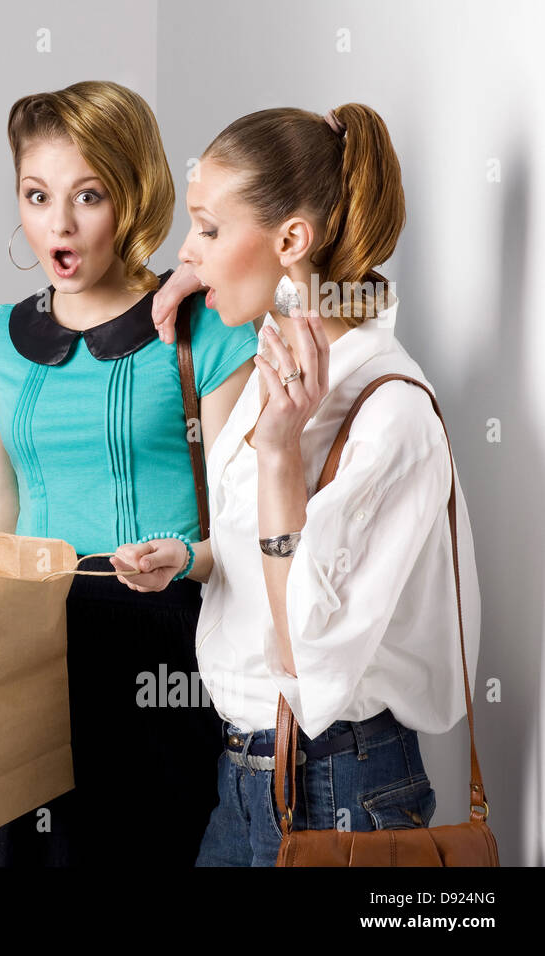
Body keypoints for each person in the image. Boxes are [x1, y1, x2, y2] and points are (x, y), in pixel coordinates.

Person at [124, 104, 481, 866]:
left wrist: (283, 458)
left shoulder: (389, 417)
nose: (184, 250)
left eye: (207, 228)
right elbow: (266, 553)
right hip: (247, 775)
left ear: (291, 240)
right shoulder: (284, 355)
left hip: (339, 786)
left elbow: (309, 668)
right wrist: (191, 559)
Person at [0, 81, 258, 866]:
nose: (60, 221)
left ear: (133, 194)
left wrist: (183, 559)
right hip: (30, 653)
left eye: (88, 195)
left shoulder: (205, 330)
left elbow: (248, 528)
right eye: (37, 194)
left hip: (167, 651)